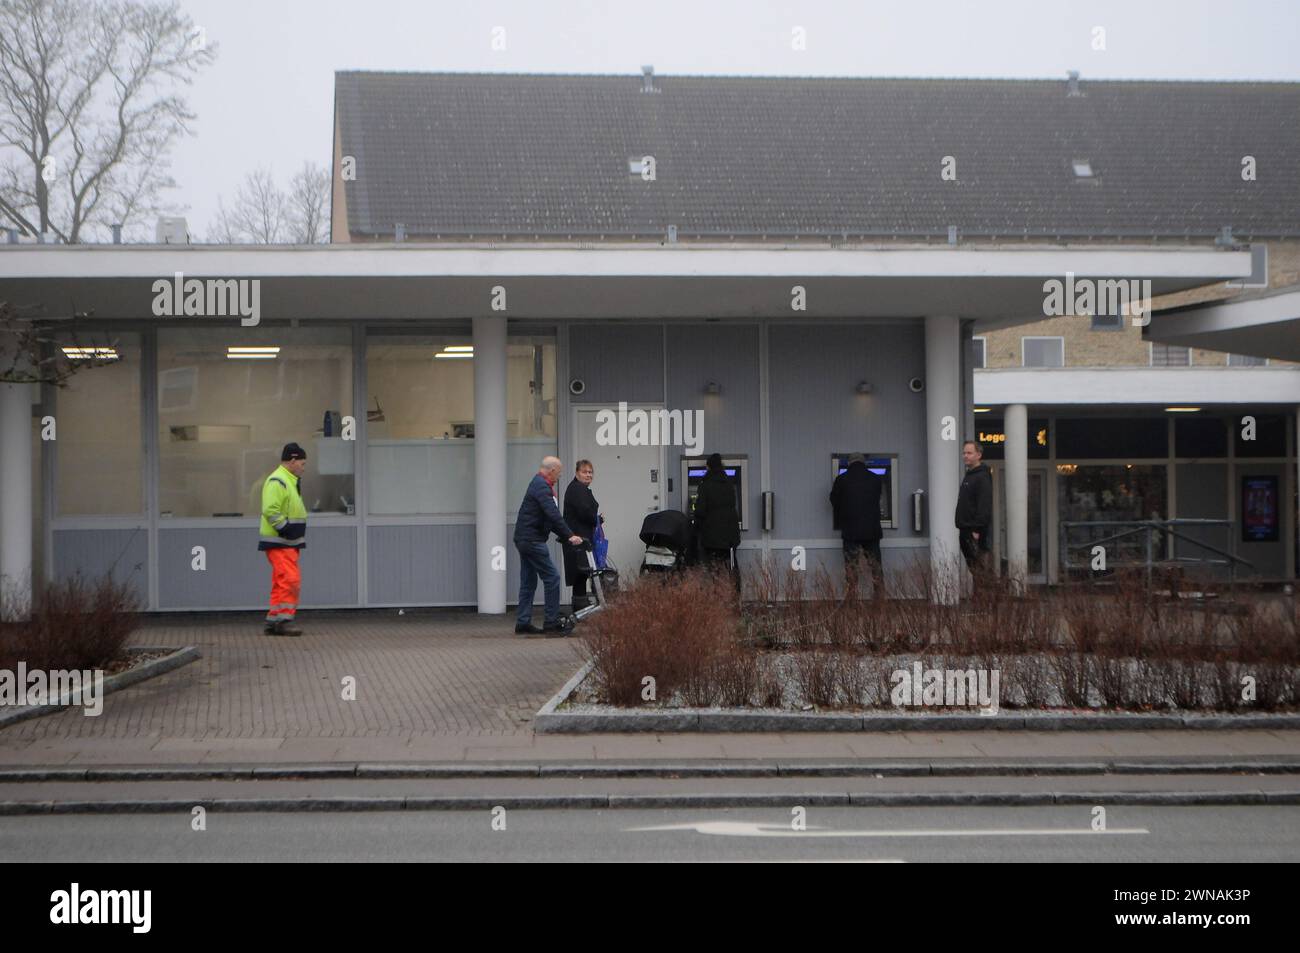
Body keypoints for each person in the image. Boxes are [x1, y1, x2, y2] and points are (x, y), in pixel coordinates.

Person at [514, 456, 585, 636]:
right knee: (552, 578)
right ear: (552, 471)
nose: (559, 476)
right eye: (559, 473)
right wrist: (570, 535)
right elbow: (553, 515)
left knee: (528, 581)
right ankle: (551, 623)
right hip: (532, 540)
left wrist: (566, 536)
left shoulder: (537, 484)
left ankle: (523, 623)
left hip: (524, 538)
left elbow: (549, 519)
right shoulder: (542, 487)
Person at [259, 443, 309, 636]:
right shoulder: (279, 481)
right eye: (302, 463)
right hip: (281, 541)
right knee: (290, 580)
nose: (303, 468)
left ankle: (273, 620)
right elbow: (270, 510)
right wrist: (285, 529)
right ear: (293, 460)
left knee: (281, 581)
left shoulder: (286, 480)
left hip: (285, 542)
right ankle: (284, 620)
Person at [830, 453, 886, 597]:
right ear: (864, 463)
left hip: (851, 530)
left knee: (851, 568)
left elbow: (834, 500)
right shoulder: (876, 479)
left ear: (849, 463)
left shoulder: (841, 479)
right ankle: (880, 599)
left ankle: (852, 600)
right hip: (872, 530)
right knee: (875, 567)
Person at [692, 453, 741, 589]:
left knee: (713, 567)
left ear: (708, 467)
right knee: (732, 565)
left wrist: (695, 525)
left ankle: (716, 594)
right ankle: (735, 592)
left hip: (712, 536)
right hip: (731, 534)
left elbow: (700, 511)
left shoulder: (705, 485)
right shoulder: (729, 484)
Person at [562, 459, 602, 612]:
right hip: (579, 539)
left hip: (579, 538)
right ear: (577, 473)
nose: (588, 475)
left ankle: (580, 608)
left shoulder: (578, 488)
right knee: (581, 573)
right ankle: (580, 609)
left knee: (581, 575)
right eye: (584, 472)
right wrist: (597, 519)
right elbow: (585, 512)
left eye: (590, 472)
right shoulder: (578, 489)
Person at [955, 439, 994, 584]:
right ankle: (983, 595)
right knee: (976, 571)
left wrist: (977, 529)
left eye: (969, 453)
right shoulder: (970, 475)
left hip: (974, 531)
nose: (965, 456)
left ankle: (987, 596)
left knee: (980, 571)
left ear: (979, 455)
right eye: (964, 453)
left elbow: (984, 504)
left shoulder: (981, 477)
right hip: (966, 529)